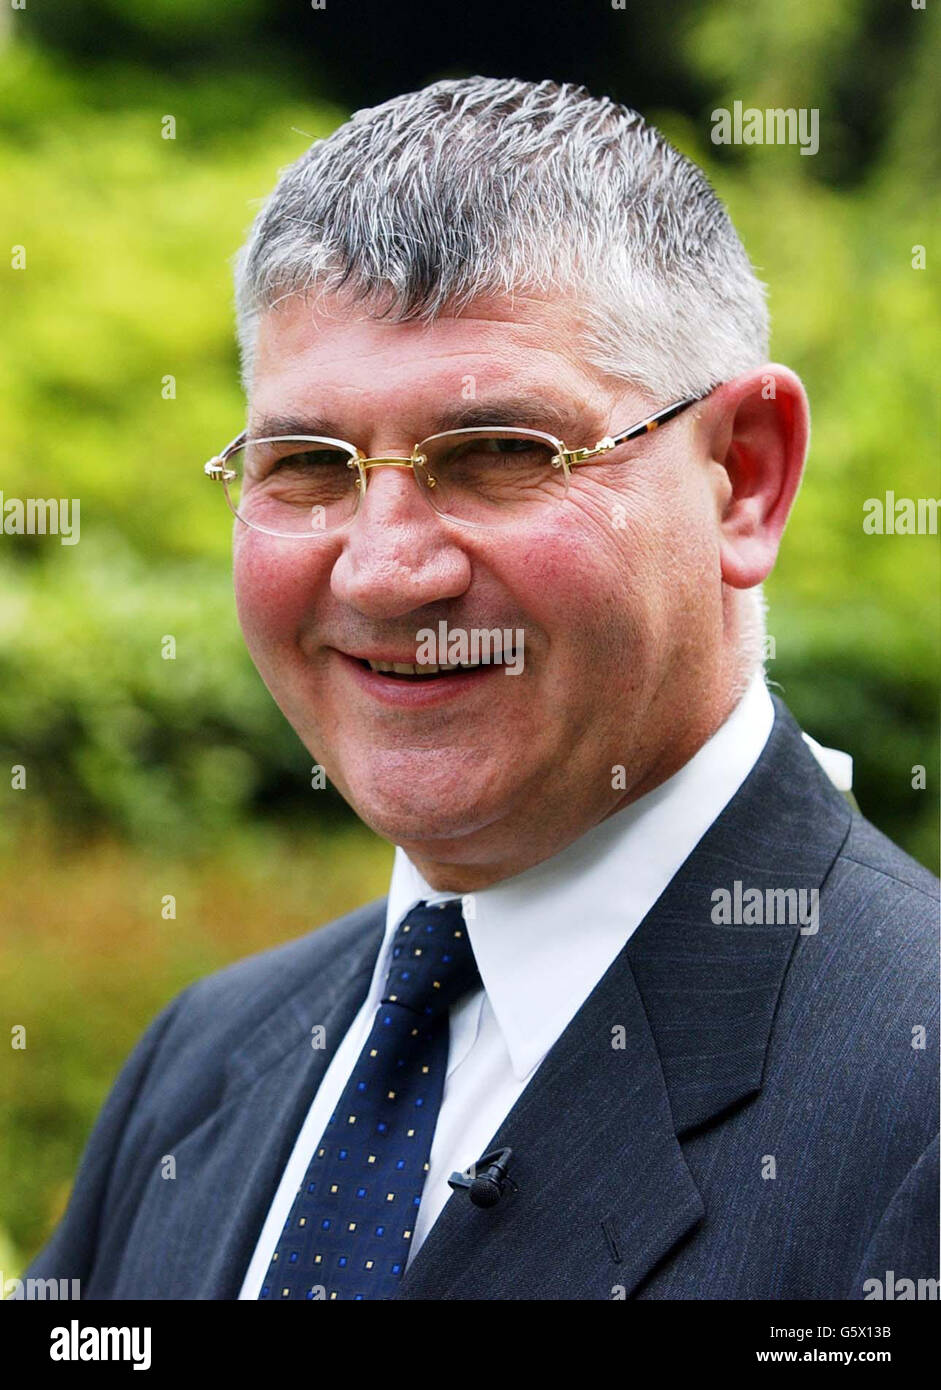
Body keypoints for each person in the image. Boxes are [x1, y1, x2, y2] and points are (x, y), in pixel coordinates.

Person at [25, 76, 938, 1301]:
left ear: (742, 478)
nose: (386, 568)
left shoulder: (910, 1097)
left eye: (499, 453)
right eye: (307, 464)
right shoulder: (201, 1061)